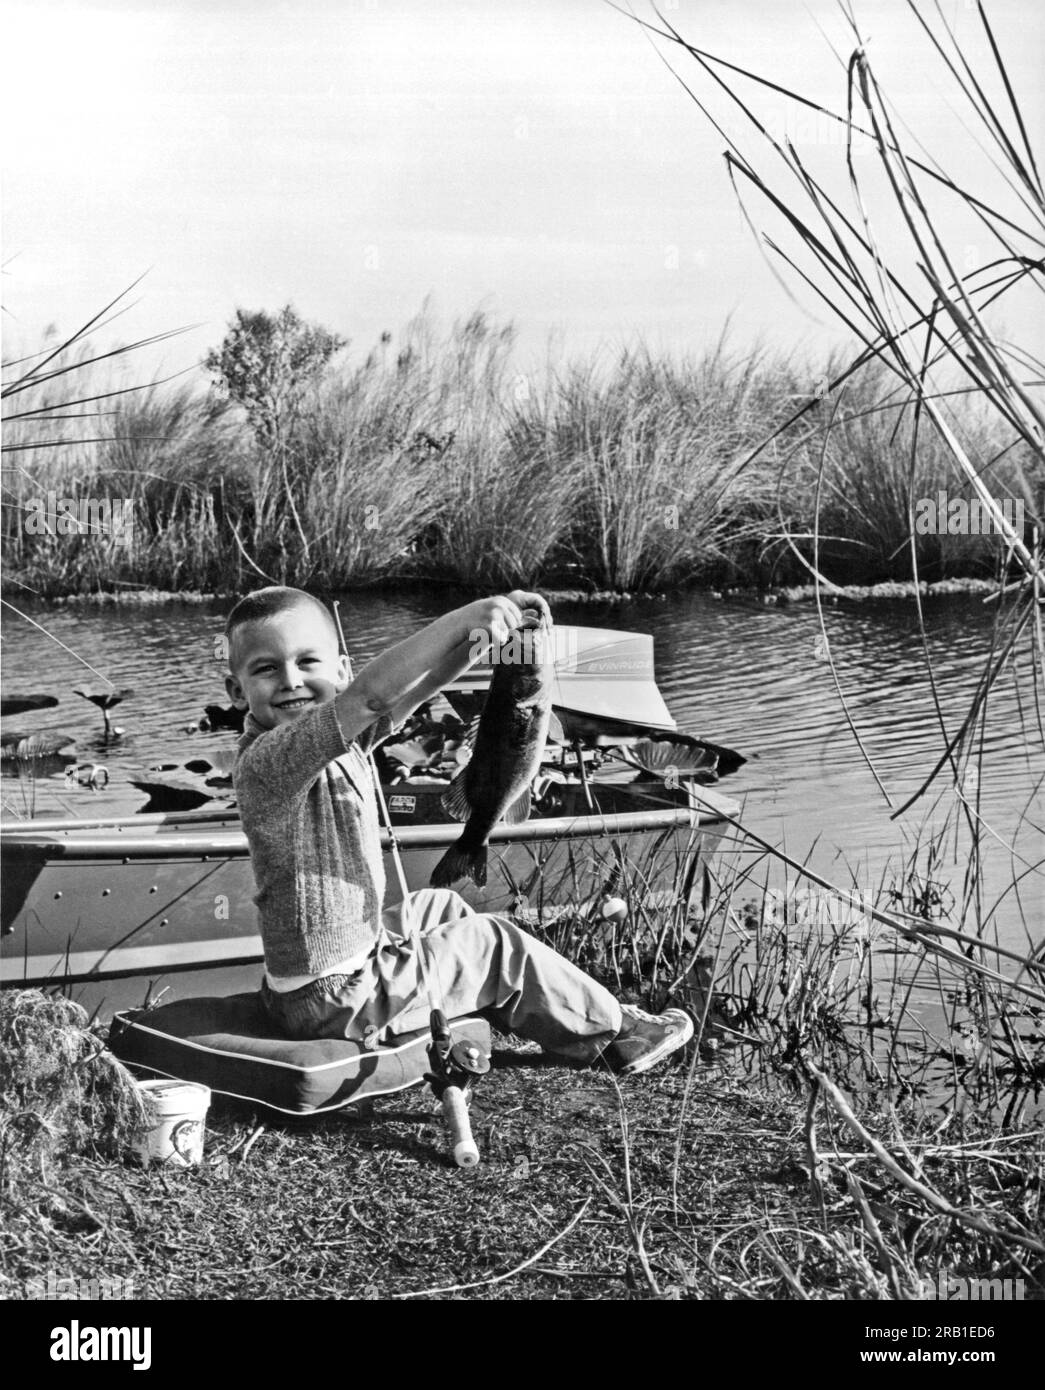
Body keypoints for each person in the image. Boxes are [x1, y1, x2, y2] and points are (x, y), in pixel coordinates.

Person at [225, 584, 693, 1074]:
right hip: (332, 1001)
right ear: (236, 692)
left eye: (307, 662)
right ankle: (616, 1036)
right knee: (491, 941)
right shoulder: (268, 762)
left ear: (340, 670)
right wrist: (464, 615)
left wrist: (480, 639)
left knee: (441, 906)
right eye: (266, 668)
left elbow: (415, 689)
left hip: (336, 977)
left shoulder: (347, 744)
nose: (290, 680)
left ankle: (528, 1006)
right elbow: (372, 694)